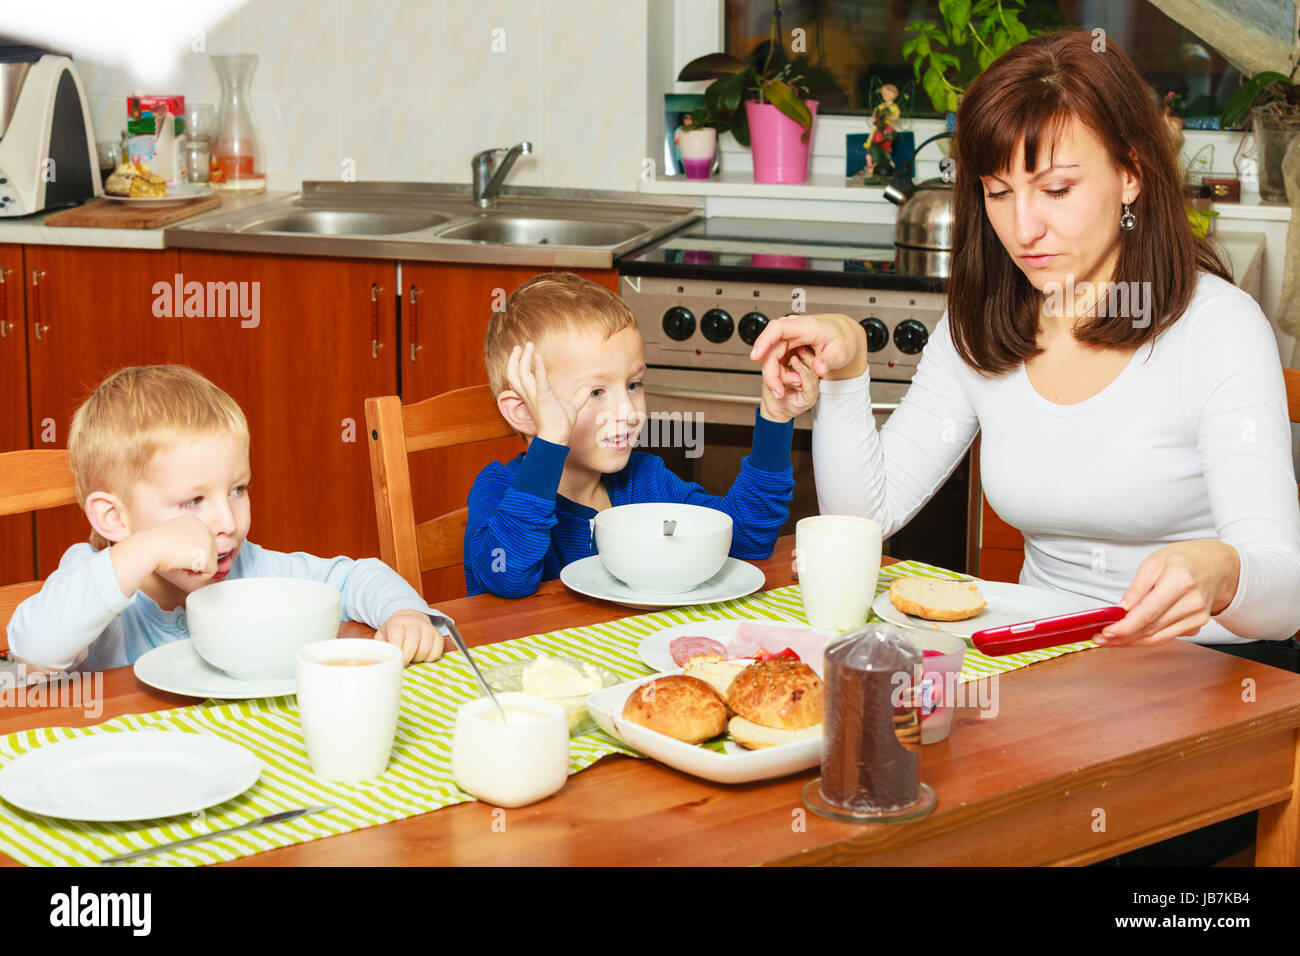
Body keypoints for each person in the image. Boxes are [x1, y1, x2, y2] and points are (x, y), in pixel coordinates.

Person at [749, 31, 1300, 864]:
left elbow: (1285, 595)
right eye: (999, 192)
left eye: (1057, 188)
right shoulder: (983, 324)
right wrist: (849, 376)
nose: (1024, 226)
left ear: (1131, 176)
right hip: (1042, 676)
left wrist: (1221, 572)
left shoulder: (1217, 331)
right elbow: (869, 516)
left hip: (1210, 686)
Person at [7, 365, 448, 672]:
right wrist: (141, 551)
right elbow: (33, 651)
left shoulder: (250, 568)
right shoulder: (91, 581)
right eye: (193, 501)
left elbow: (356, 577)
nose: (227, 521)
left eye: (237, 490)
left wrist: (404, 611)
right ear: (115, 518)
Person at [465, 272, 817, 598]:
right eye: (596, 392)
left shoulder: (647, 481)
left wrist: (775, 419)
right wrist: (550, 441)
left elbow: (743, 541)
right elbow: (506, 577)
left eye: (633, 384)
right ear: (524, 412)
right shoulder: (497, 489)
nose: (629, 412)